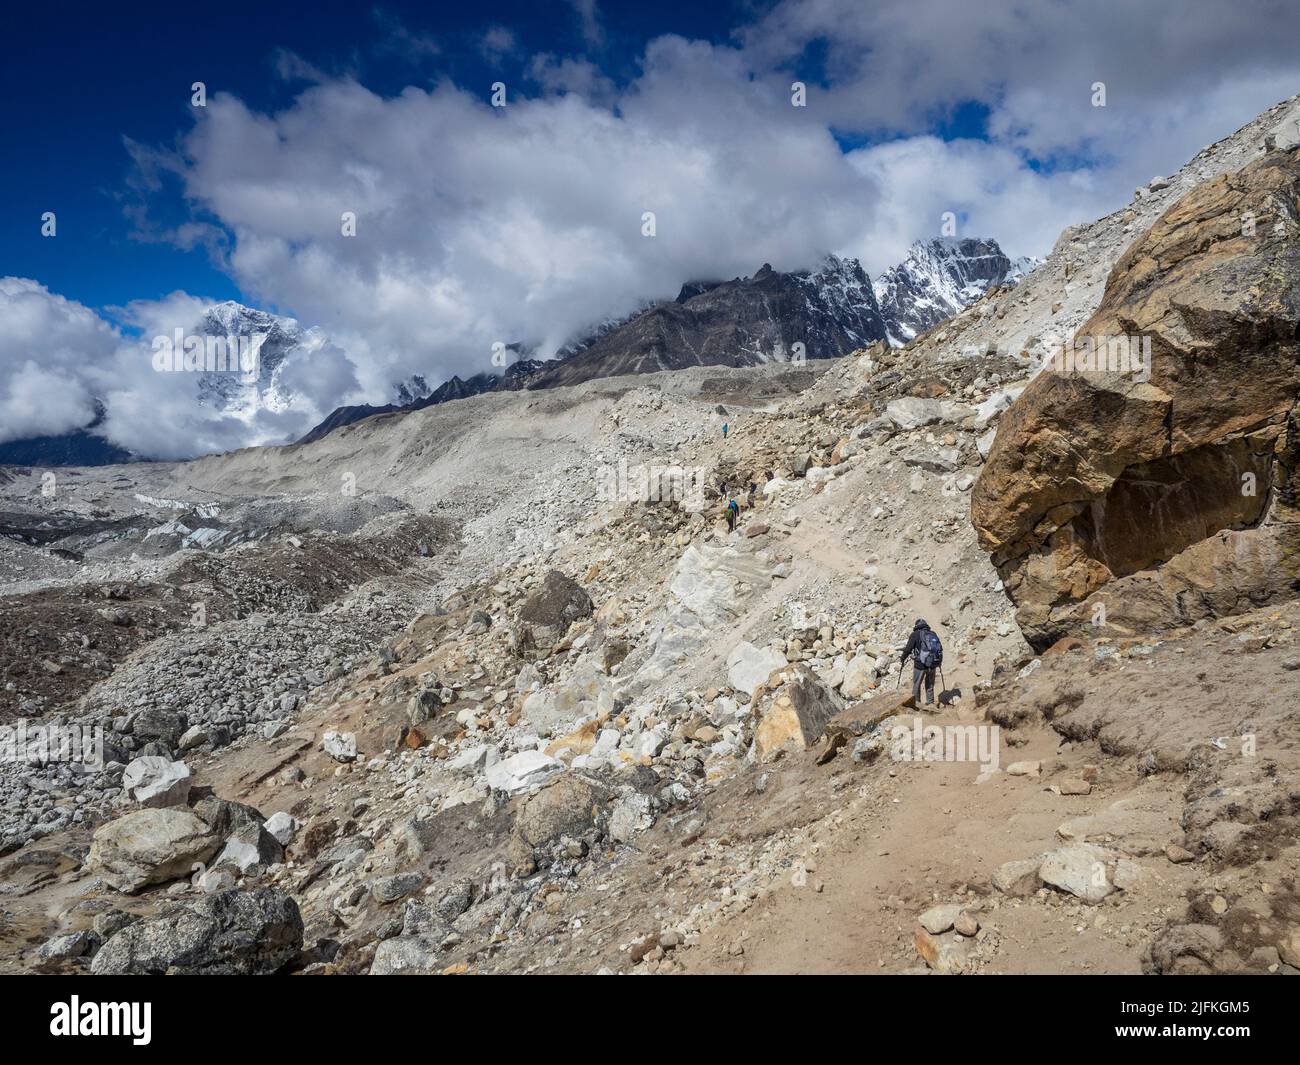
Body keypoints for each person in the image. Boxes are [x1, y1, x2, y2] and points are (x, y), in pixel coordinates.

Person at [899, 618, 941, 706]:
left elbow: (908, 649)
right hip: (933, 663)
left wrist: (902, 658)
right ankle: (930, 703)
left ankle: (916, 704)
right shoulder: (933, 634)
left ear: (916, 626)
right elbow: (939, 648)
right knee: (930, 684)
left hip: (920, 664)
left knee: (916, 684)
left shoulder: (915, 634)